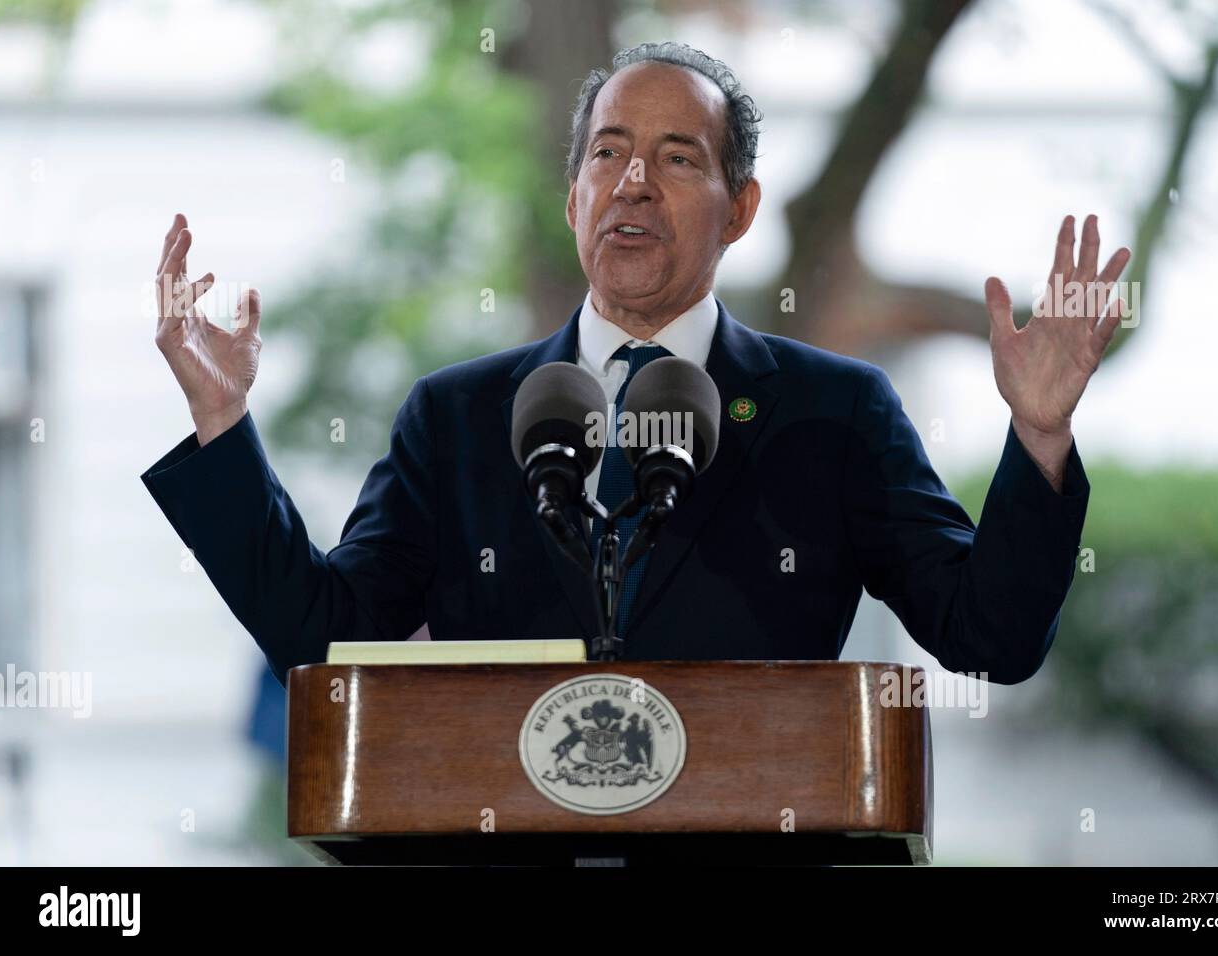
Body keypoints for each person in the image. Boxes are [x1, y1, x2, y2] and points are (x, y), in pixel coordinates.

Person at [141, 42, 1129, 687]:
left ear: (739, 209)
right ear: (572, 197)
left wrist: (1038, 433)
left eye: (678, 158)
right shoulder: (456, 416)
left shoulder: (835, 413)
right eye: (607, 155)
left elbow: (989, 635)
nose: (635, 184)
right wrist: (226, 429)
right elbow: (328, 640)